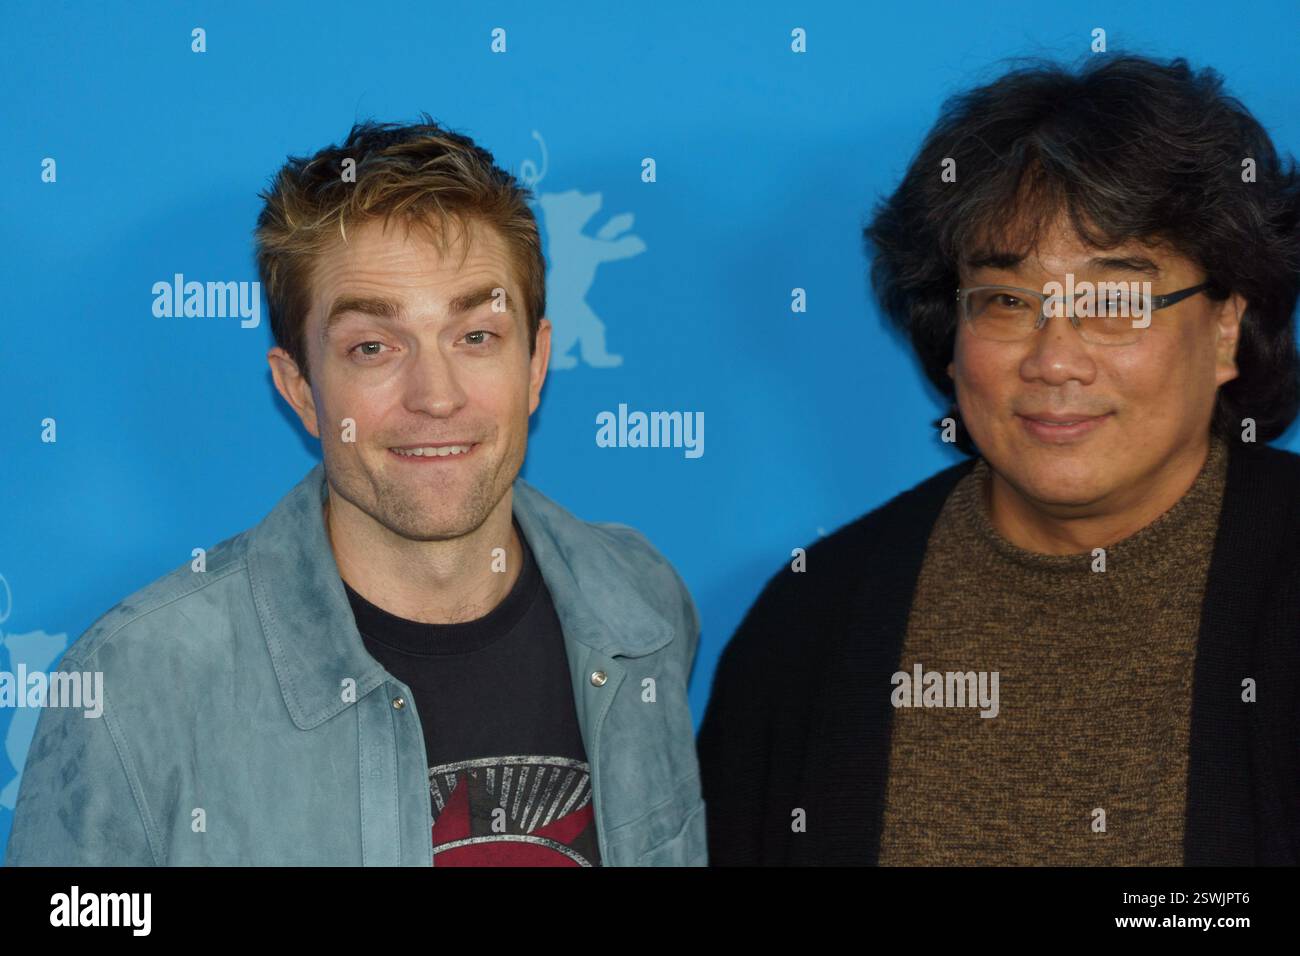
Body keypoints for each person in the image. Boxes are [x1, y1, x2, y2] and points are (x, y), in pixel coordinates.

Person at [7, 116, 705, 866]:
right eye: (373, 347)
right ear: (300, 389)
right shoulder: (134, 690)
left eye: (476, 336)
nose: (436, 396)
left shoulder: (641, 606)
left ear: (534, 365)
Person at [698, 55, 1300, 865]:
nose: (1056, 361)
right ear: (952, 335)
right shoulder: (813, 622)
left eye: (1114, 302)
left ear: (1227, 327)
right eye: (1008, 302)